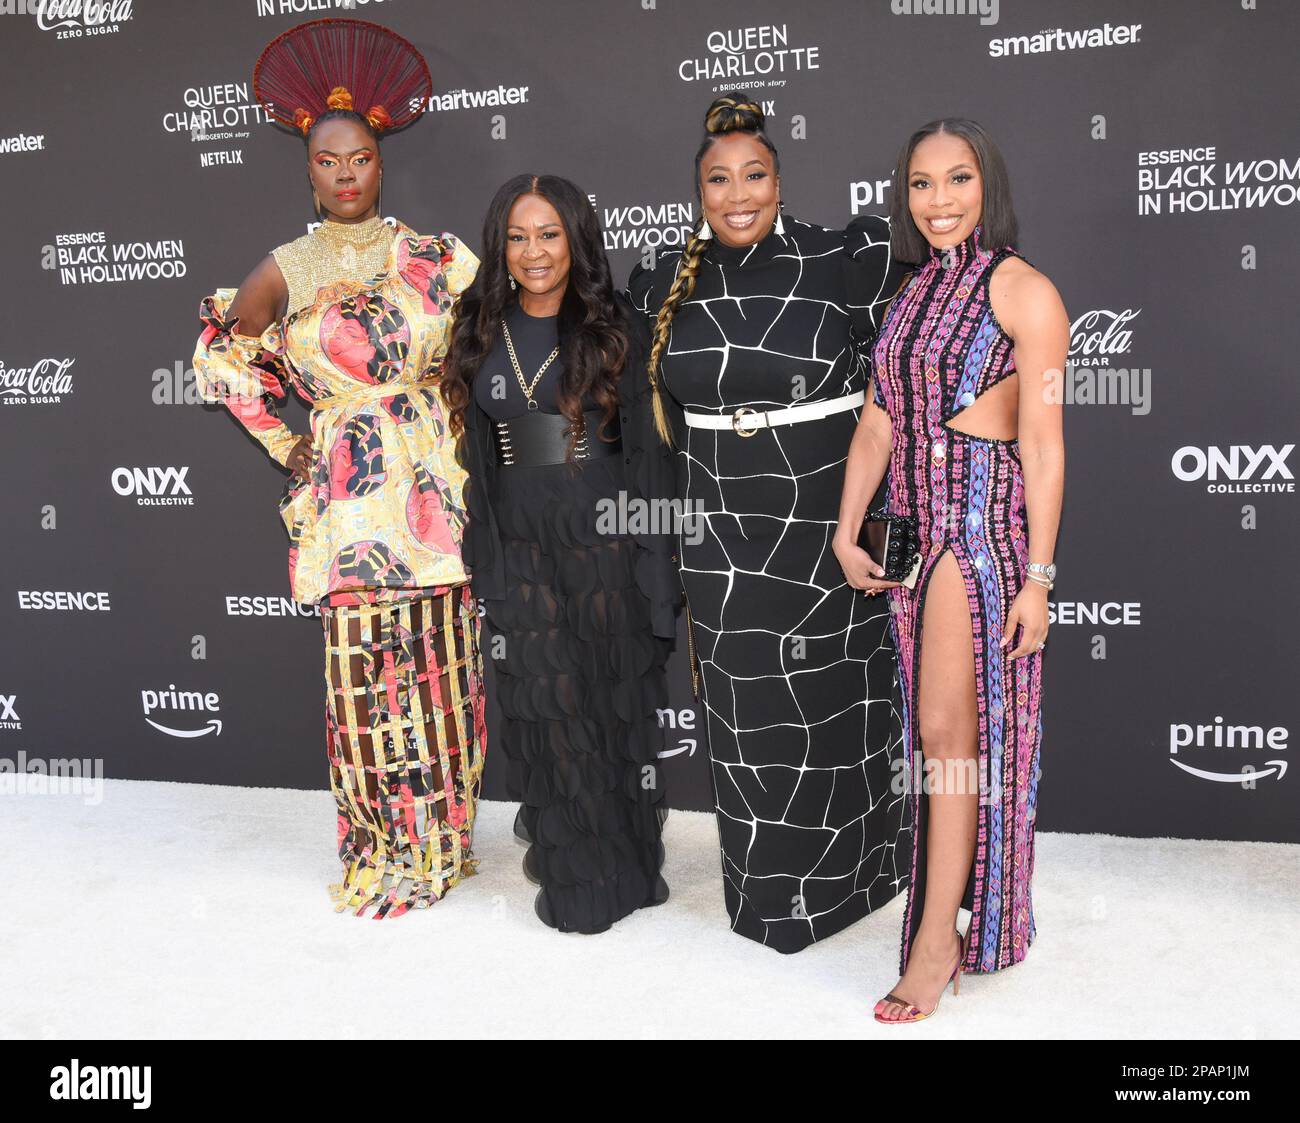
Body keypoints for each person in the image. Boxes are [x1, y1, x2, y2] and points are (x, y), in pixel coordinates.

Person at [192, 18, 485, 919]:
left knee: (441, 662)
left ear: (381, 161)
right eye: (328, 161)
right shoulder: (285, 268)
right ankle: (380, 843)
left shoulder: (427, 257)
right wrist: (291, 444)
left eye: (359, 157)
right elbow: (221, 356)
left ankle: (444, 840)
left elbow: (473, 356)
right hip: (352, 502)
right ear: (308, 168)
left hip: (431, 492)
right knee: (366, 674)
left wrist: (457, 436)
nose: (346, 173)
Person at [628, 96, 911, 954]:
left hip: (826, 521)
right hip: (720, 536)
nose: (737, 193)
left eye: (754, 175)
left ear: (780, 180)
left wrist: (881, 516)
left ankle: (869, 873)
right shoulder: (664, 284)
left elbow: (905, 380)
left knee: (841, 703)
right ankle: (770, 901)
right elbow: (645, 428)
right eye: (718, 179)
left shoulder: (844, 257)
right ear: (698, 192)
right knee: (747, 720)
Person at [834, 118, 1066, 1021]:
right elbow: (880, 424)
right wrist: (847, 526)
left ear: (988, 184)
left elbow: (1044, 445)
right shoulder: (909, 295)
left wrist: (1040, 577)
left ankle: (939, 937)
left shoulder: (1026, 292)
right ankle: (954, 921)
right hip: (914, 544)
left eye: (958, 179)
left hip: (979, 542)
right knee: (939, 743)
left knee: (947, 740)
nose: (939, 200)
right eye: (921, 184)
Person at [441, 174, 679, 933]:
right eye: (518, 236)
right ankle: (583, 885)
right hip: (517, 536)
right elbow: (478, 457)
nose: (534, 251)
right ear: (498, 246)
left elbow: (651, 454)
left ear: (577, 239)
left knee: (612, 703)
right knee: (550, 708)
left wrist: (656, 561)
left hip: (605, 527)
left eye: (550, 234)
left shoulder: (620, 328)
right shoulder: (478, 327)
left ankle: (631, 868)